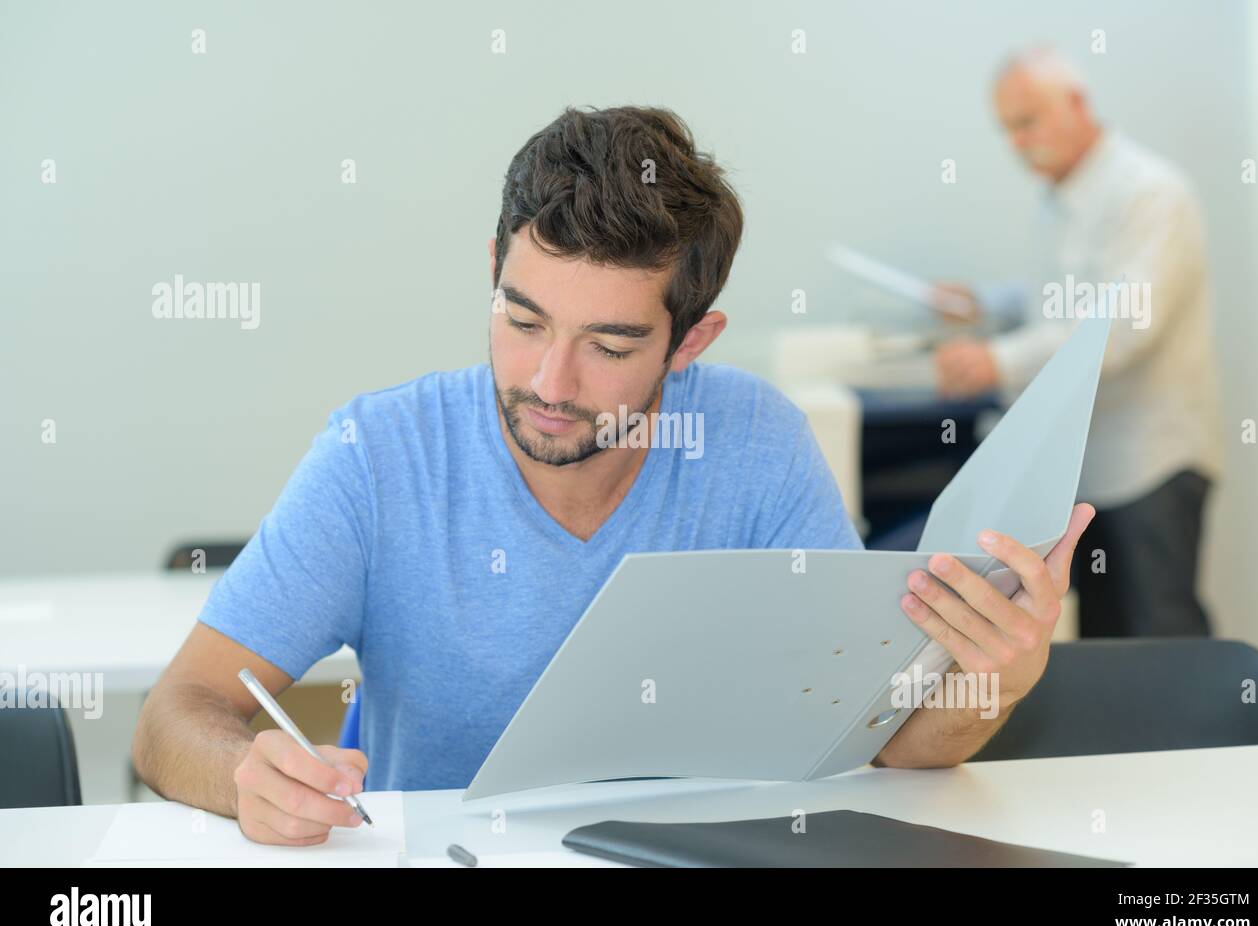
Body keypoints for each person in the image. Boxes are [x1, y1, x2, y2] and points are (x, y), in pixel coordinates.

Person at [134, 105, 1093, 846]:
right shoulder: (378, 457)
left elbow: (883, 739)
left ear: (691, 343)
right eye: (523, 321)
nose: (550, 384)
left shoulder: (757, 443)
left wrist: (991, 683)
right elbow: (174, 716)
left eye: (610, 343)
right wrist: (242, 773)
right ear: (493, 270)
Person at [931, 47, 1221, 639]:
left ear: (1077, 103)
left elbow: (1123, 325)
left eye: (1028, 121)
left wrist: (998, 360)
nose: (1017, 141)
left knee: (1161, 638)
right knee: (1109, 640)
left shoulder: (1151, 193)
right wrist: (986, 303)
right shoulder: (1057, 199)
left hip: (1150, 462)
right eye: (1007, 129)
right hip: (1086, 471)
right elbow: (1063, 298)